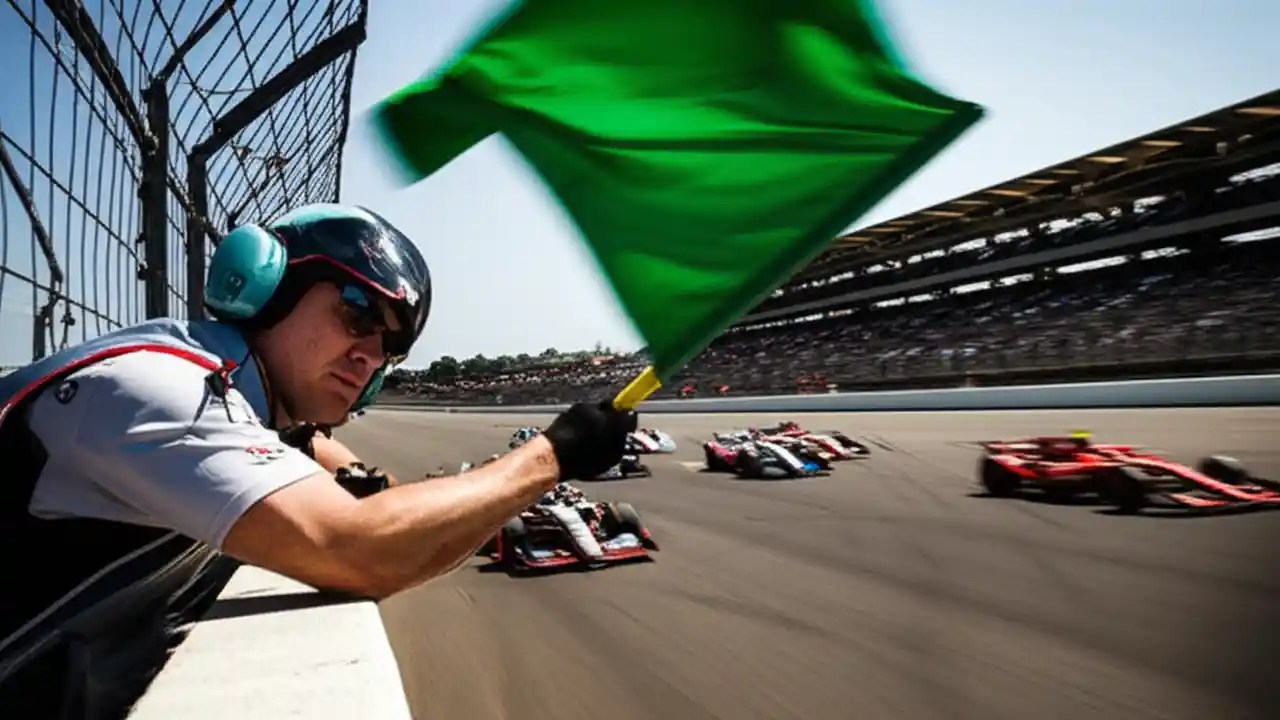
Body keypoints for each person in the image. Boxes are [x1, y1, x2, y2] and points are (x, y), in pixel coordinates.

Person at [0, 203, 636, 718]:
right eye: (356, 312)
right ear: (270, 288)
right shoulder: (160, 389)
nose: (368, 355)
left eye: (390, 346)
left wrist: (363, 478)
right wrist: (552, 454)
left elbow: (304, 443)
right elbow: (355, 552)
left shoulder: (225, 387)